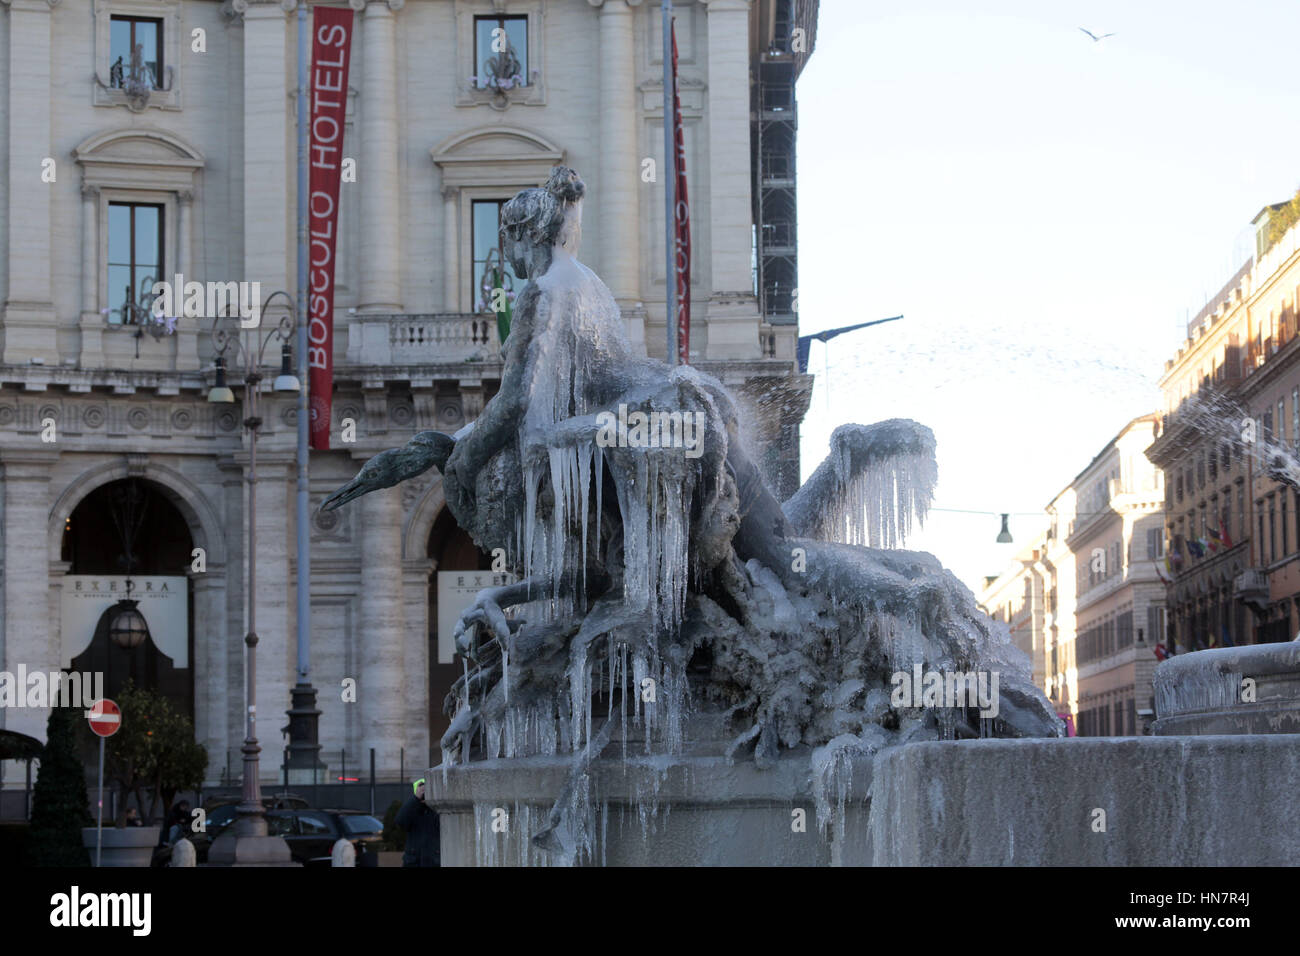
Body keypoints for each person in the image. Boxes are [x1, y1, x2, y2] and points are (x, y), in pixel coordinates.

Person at [395, 778, 439, 867]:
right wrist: (416, 799)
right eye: (422, 791)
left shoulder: (437, 810)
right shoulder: (412, 809)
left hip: (434, 861)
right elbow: (400, 821)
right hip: (414, 862)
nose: (425, 794)